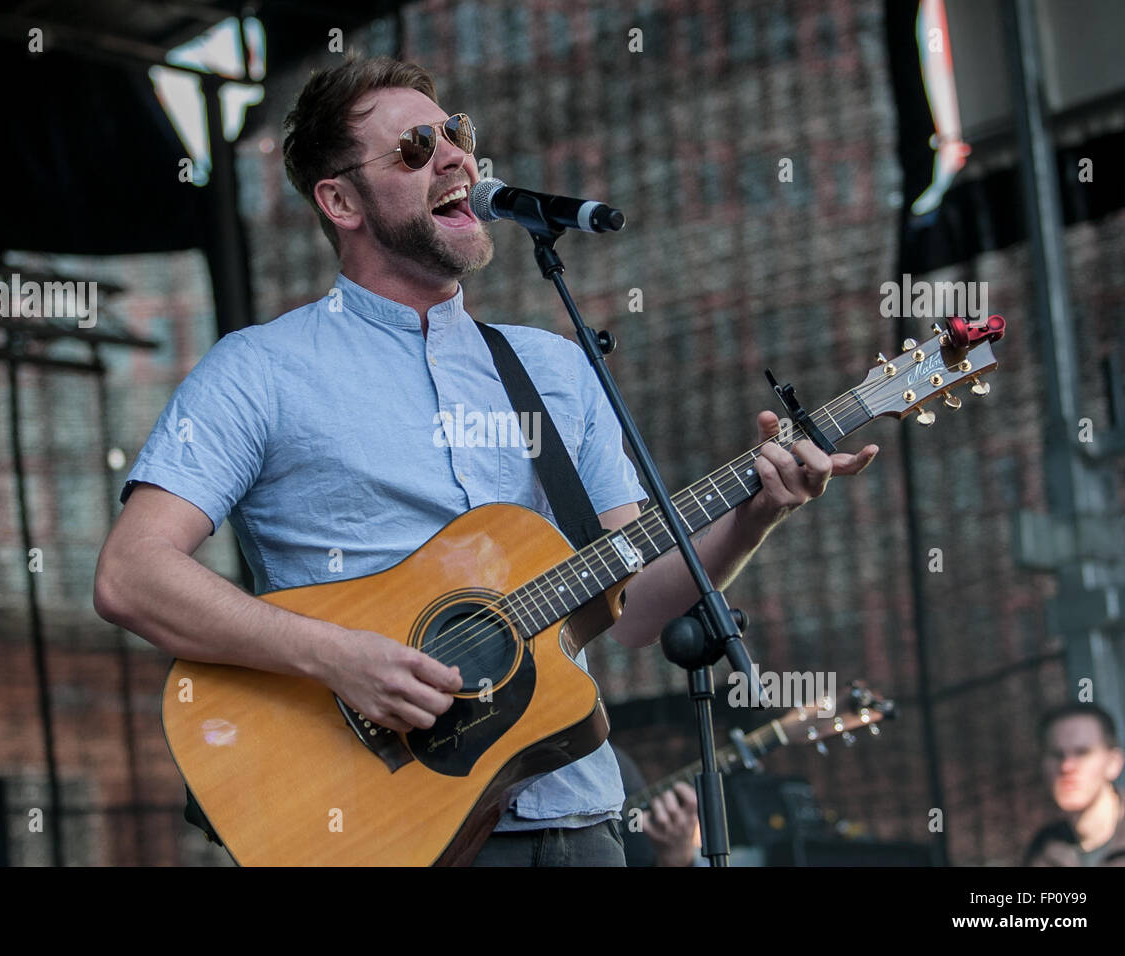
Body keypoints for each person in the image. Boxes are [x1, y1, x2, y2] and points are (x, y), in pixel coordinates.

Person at [92, 54, 877, 867]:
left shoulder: (554, 368)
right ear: (340, 201)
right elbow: (131, 575)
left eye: (456, 135)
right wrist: (341, 658)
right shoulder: (259, 370)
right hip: (385, 831)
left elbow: (638, 607)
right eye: (414, 148)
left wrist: (758, 512)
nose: (455, 158)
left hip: (579, 821)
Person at [1025, 702, 1125, 866]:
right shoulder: (1043, 851)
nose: (1066, 766)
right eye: (1057, 755)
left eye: (1082, 753)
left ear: (1113, 763)